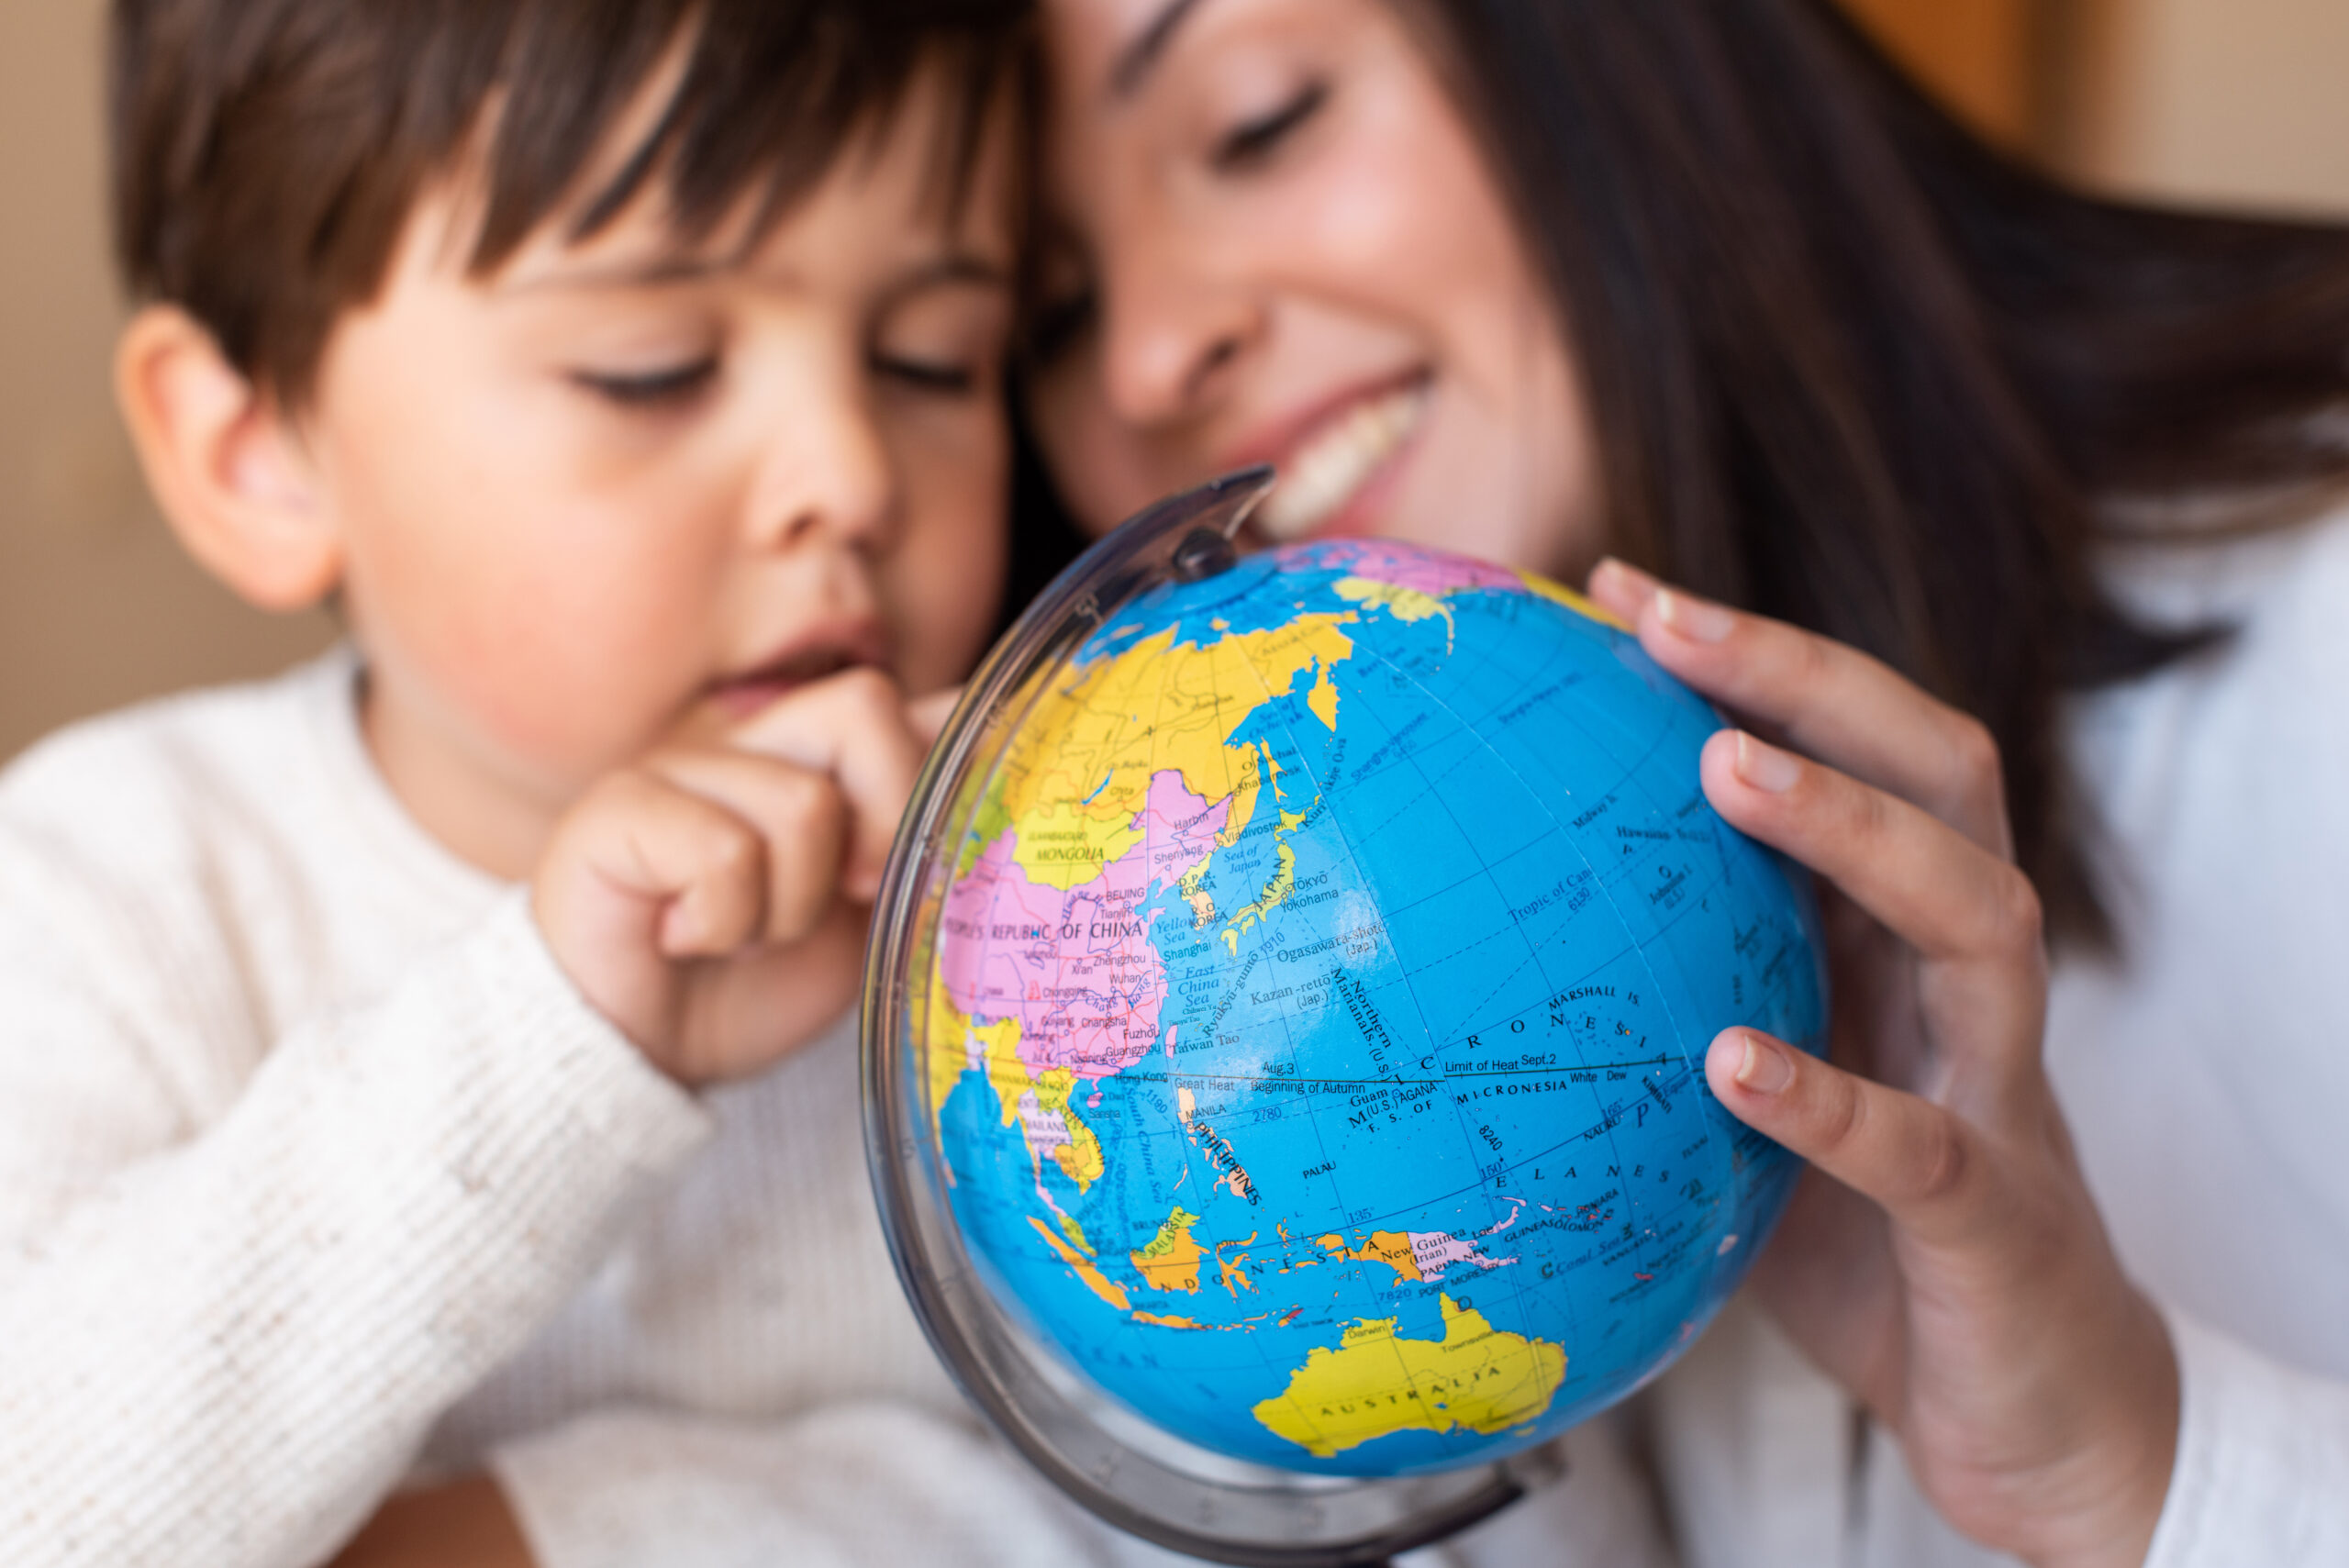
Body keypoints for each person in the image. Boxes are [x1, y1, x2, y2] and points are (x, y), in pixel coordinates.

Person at [1018, 0, 2349, 1564]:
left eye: (1262, 120)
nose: (1151, 354)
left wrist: (2135, 1462)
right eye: (1049, 312)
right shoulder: (1283, 1055)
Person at [0, 1, 1103, 1562]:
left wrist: (548, 1537)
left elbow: (1474, 1523)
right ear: (258, 450)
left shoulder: (1113, 884)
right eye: (650, 370)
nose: (849, 473)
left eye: (933, 357)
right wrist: (556, 1036)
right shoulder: (109, 883)